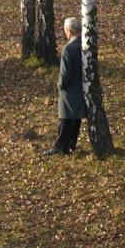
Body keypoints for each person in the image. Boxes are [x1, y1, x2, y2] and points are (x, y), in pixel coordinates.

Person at [45, 17, 85, 155]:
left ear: (69, 31)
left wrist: (60, 85)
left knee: (65, 117)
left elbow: (65, 72)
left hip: (70, 88)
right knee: (76, 118)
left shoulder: (68, 49)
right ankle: (71, 143)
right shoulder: (85, 45)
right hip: (82, 86)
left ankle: (60, 146)